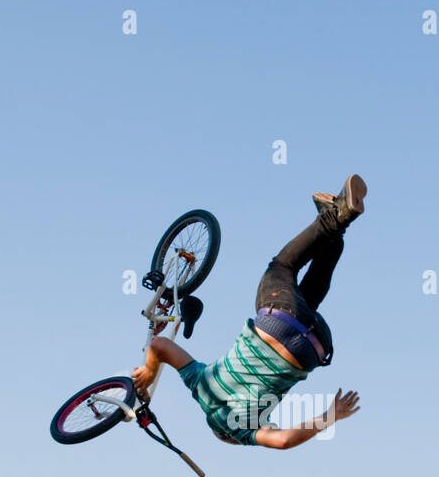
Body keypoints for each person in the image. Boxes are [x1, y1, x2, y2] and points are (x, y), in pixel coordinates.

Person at [132, 175, 366, 449]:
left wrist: (331, 416)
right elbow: (160, 346)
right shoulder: (200, 385)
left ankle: (334, 232)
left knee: (305, 301)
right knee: (281, 268)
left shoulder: (245, 430)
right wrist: (148, 375)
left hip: (313, 348)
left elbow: (283, 441)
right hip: (276, 323)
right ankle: (337, 217)